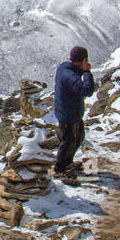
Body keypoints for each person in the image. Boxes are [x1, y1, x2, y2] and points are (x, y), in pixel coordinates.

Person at [53, 46, 96, 183]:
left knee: (78, 138)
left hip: (72, 111)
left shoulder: (66, 68)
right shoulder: (69, 75)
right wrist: (87, 72)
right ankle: (59, 169)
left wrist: (82, 69)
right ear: (84, 60)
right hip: (68, 114)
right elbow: (87, 90)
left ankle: (68, 163)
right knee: (68, 141)